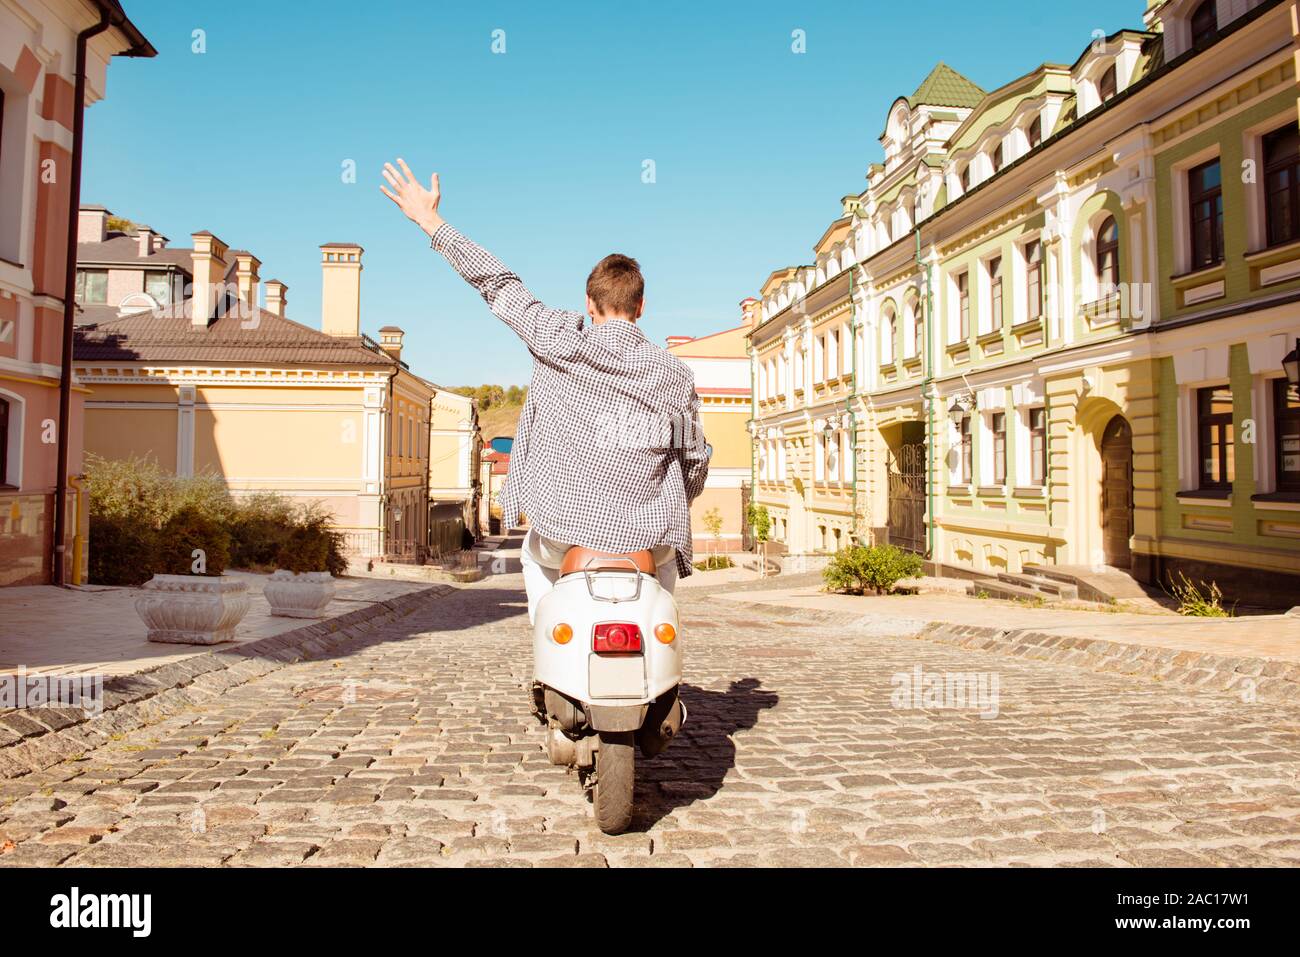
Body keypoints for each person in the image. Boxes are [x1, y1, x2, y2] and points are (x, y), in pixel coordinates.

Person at [380, 159, 709, 622]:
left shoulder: (554, 335)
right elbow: (695, 457)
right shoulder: (674, 374)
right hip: (648, 536)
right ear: (641, 306)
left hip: (565, 529)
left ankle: (549, 646)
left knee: (535, 559)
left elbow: (497, 284)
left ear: (589, 303)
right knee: (664, 592)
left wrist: (429, 220)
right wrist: (681, 498)